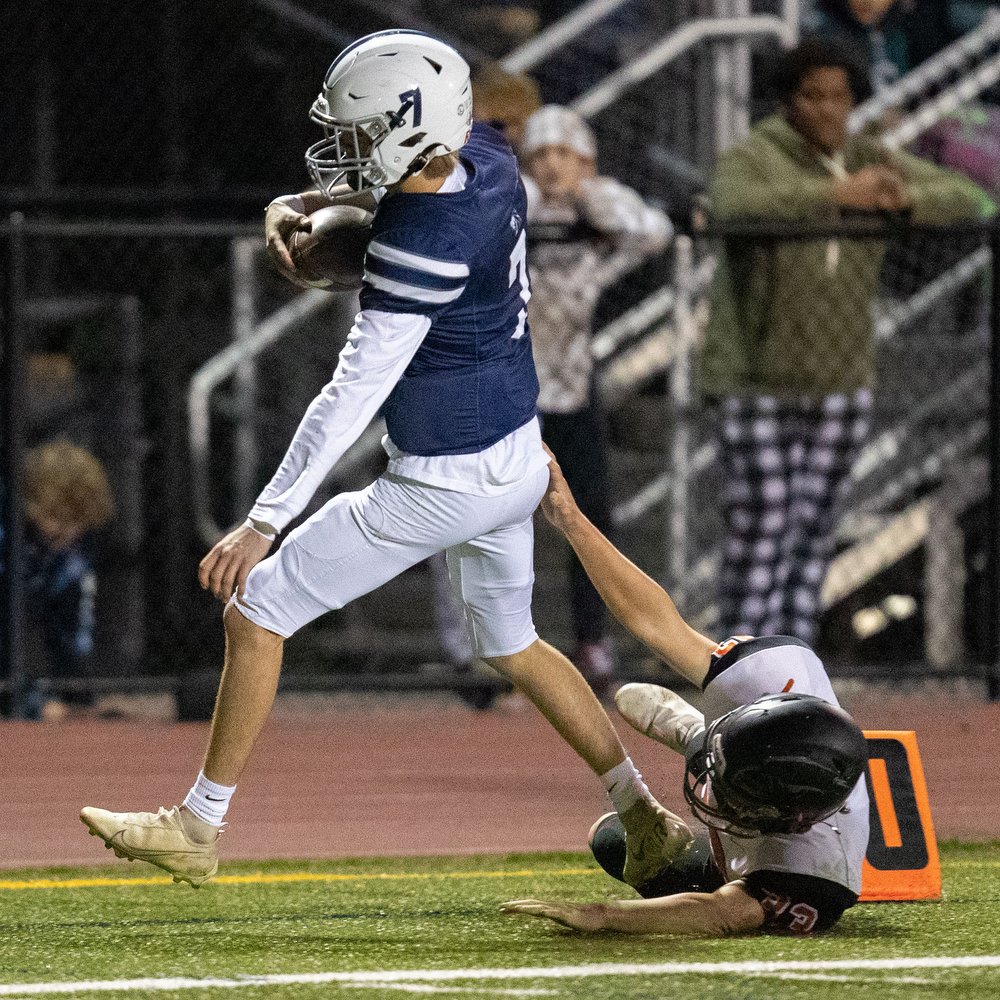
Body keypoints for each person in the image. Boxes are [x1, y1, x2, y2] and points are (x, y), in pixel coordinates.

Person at [80, 29, 684, 891]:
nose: (344, 151)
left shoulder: (421, 240)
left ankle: (197, 826)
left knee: (256, 607)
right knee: (515, 643)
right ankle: (645, 815)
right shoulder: (489, 152)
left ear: (411, 130)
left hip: (442, 481)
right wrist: (313, 205)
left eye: (361, 135)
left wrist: (263, 520)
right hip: (515, 453)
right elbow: (398, 202)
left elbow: (348, 394)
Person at [501, 446, 870, 937]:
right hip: (758, 775)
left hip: (754, 870)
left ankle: (694, 732)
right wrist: (568, 517)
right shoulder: (769, 677)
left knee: (614, 842)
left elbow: (721, 913)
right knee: (618, 838)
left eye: (734, 794)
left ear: (794, 820)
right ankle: (699, 732)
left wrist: (602, 916)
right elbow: (654, 621)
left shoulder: (817, 876)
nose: (710, 793)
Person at [702, 38, 991, 644]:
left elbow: (968, 198)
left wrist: (902, 196)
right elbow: (732, 203)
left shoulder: (869, 155)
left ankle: (795, 657)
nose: (828, 109)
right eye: (812, 95)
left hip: (843, 374)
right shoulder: (758, 155)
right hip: (758, 375)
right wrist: (835, 196)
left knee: (813, 527)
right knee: (763, 523)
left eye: (840, 96)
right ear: (787, 101)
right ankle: (742, 658)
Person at [520, 104, 672, 694]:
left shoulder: (594, 216)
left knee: (590, 519)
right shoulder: (517, 213)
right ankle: (506, 647)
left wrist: (593, 198)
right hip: (514, 389)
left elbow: (652, 235)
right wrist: (531, 193)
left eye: (565, 154)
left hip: (574, 387)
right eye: (542, 155)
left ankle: (592, 640)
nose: (553, 166)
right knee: (500, 521)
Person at [1, 440, 115, 720]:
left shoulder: (74, 549)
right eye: (56, 517)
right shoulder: (7, 533)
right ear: (29, 504)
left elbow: (73, 632)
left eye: (77, 521)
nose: (68, 532)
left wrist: (79, 703)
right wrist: (32, 704)